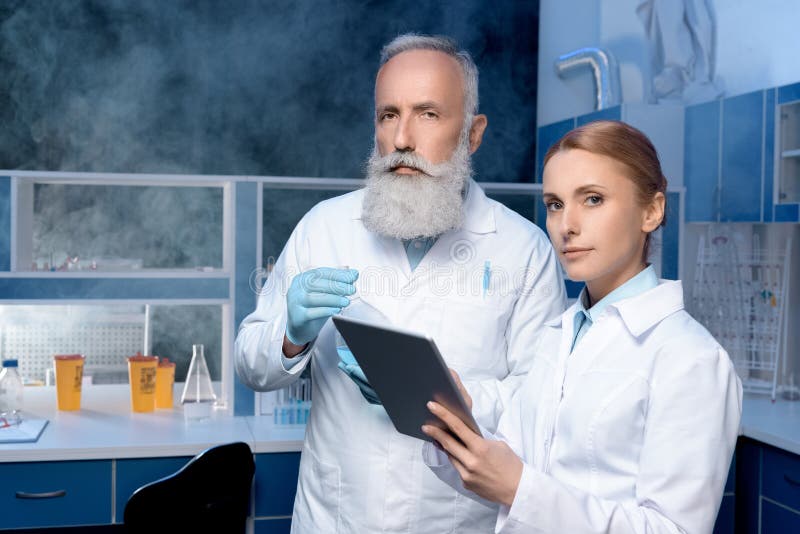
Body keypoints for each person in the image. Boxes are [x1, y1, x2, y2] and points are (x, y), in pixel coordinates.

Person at [235, 33, 566, 533]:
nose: (402, 139)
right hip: (335, 518)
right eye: (388, 114)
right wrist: (290, 334)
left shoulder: (523, 249)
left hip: (454, 520)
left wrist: (453, 396)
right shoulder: (325, 226)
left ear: (473, 133)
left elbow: (542, 406)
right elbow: (250, 365)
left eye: (428, 114)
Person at [422, 120, 742, 533]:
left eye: (592, 199)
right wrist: (452, 425)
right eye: (555, 204)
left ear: (652, 211)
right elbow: (510, 479)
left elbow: (672, 529)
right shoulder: (559, 335)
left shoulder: (691, 359)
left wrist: (521, 488)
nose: (566, 225)